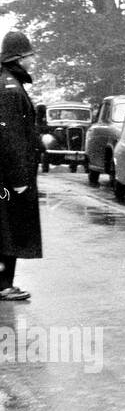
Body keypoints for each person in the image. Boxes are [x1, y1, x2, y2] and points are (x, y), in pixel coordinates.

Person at [0, 32, 42, 300]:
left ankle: (5, 283)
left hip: (10, 173)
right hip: (10, 176)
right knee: (8, 229)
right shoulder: (9, 88)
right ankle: (4, 285)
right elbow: (10, 135)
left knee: (8, 228)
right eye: (30, 56)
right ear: (19, 57)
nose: (33, 60)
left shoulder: (11, 83)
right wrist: (19, 177)